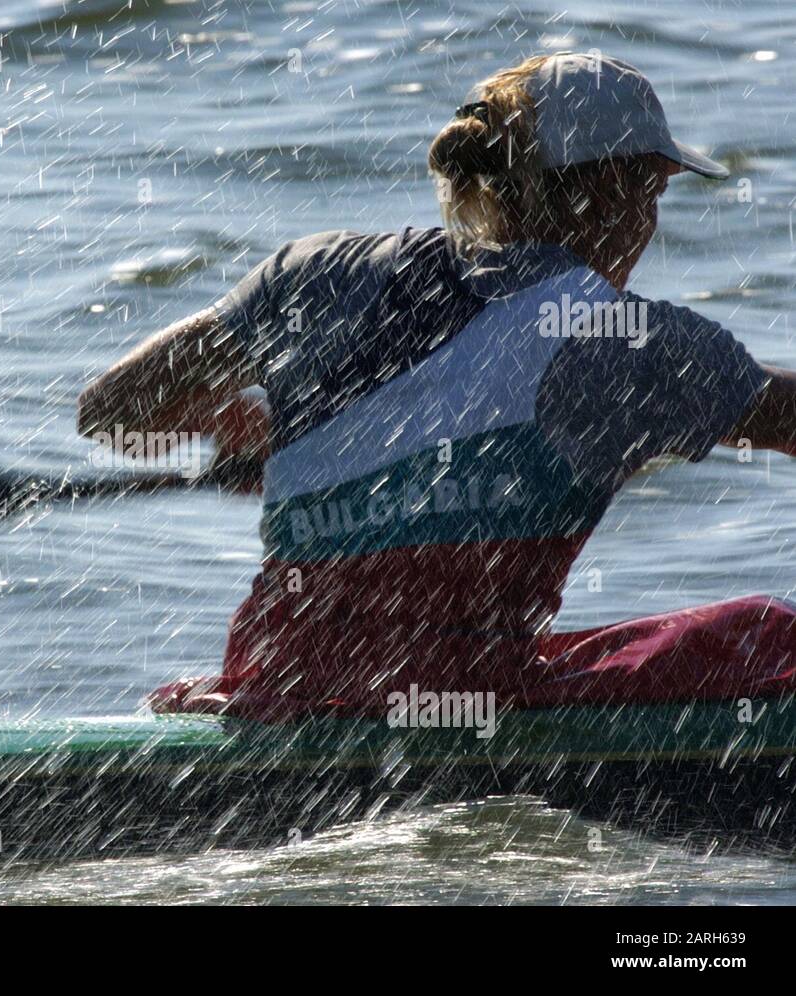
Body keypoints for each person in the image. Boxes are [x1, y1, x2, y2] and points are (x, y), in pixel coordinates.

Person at [78, 52, 796, 722]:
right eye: (654, 193)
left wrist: (239, 426)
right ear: (613, 191)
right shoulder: (629, 345)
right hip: (464, 706)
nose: (650, 224)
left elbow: (109, 411)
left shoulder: (314, 272)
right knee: (769, 633)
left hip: (279, 695)